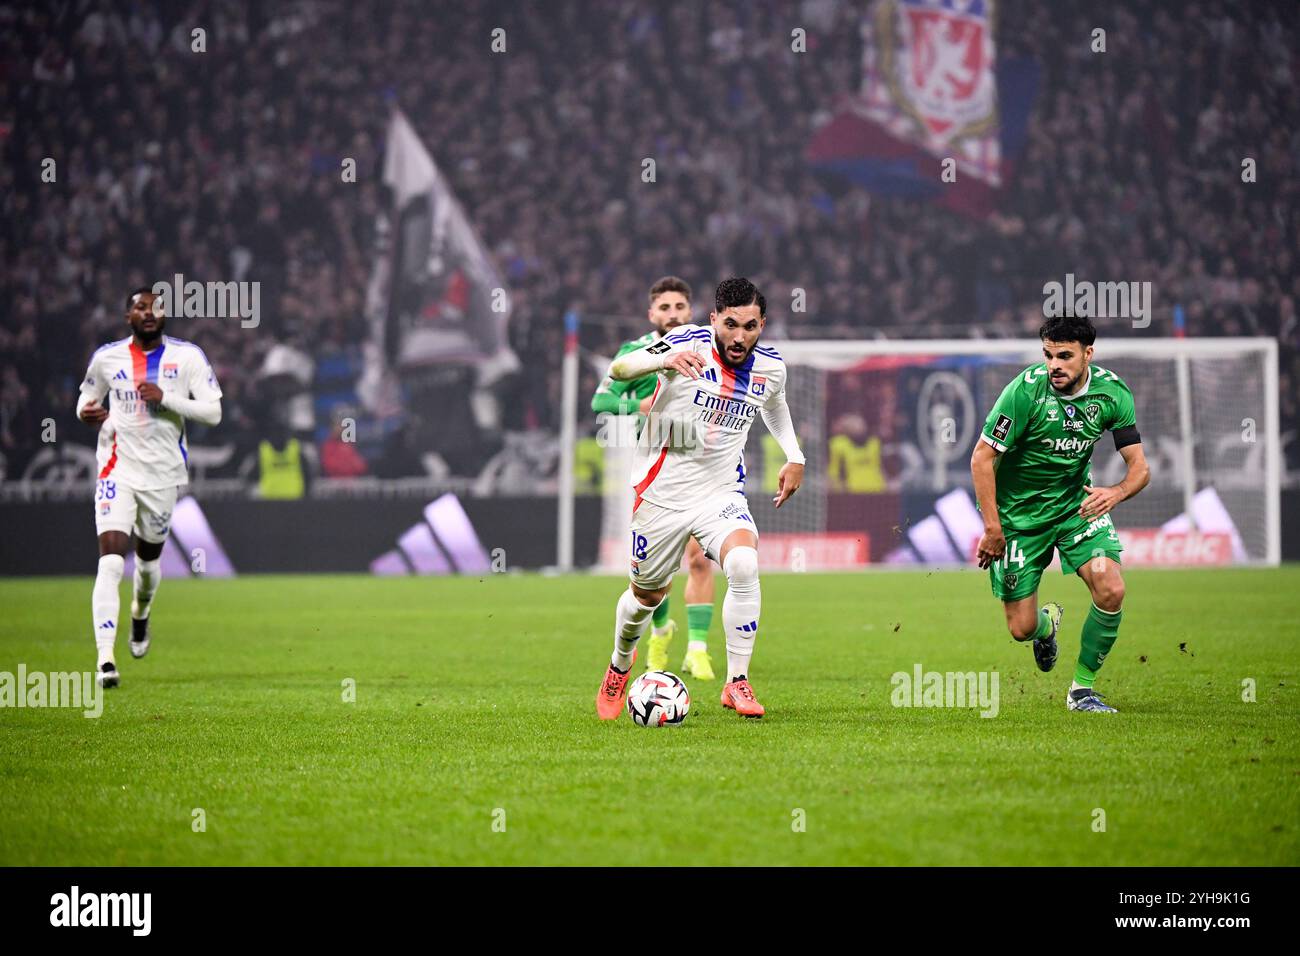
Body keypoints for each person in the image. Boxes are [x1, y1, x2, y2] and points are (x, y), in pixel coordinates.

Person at [594, 277, 805, 720]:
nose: (739, 336)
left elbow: (775, 404)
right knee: (645, 598)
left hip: (720, 492)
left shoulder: (770, 367)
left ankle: (737, 682)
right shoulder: (685, 341)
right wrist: (665, 359)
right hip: (662, 494)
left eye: (750, 326)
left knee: (745, 564)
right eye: (730, 324)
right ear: (713, 319)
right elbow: (619, 371)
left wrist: (795, 454)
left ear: (762, 324)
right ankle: (618, 666)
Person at [970, 315, 1150, 712]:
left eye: (1065, 356)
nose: (1054, 365)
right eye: (1049, 355)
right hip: (1019, 517)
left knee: (1111, 588)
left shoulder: (1112, 393)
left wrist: (1115, 493)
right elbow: (982, 458)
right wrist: (993, 528)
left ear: (1088, 354)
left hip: (1075, 507)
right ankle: (1047, 627)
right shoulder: (1025, 392)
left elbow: (1139, 467)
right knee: (1020, 629)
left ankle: (1082, 690)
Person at [76, 288, 223, 688]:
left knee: (146, 565)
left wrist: (168, 399)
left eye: (157, 306)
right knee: (109, 562)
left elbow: (213, 411)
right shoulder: (108, 357)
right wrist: (86, 412)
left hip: (162, 475)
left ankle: (140, 616)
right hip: (116, 468)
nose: (149, 312)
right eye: (140, 306)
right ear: (128, 316)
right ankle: (105, 658)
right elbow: (86, 399)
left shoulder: (187, 357)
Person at [590, 276, 718, 679]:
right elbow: (601, 399)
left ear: (690, 310)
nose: (673, 314)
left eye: (679, 307)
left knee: (699, 558)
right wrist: (640, 405)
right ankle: (661, 629)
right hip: (657, 464)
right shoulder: (635, 352)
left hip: (703, 460)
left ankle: (698, 649)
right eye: (665, 308)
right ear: (652, 314)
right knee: (654, 570)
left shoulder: (710, 347)